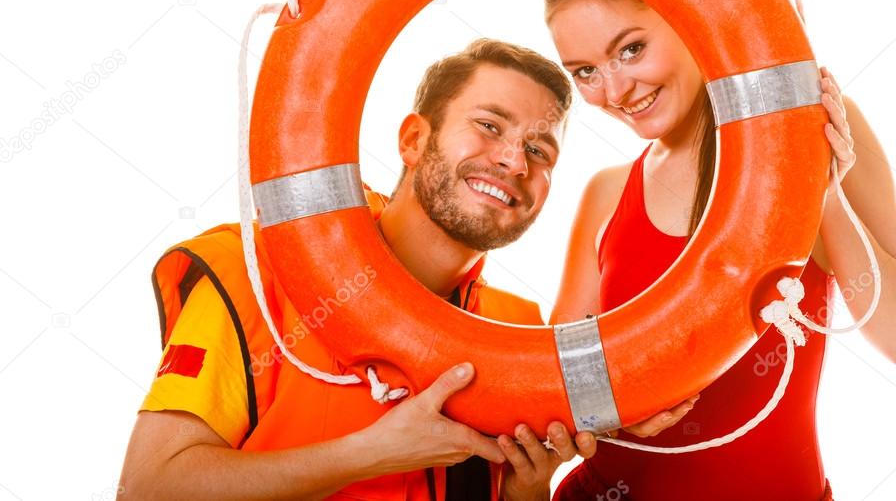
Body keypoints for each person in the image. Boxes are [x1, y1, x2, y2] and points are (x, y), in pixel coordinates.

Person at [118, 38, 597, 500]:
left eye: (539, 151)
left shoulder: (518, 336)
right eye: (490, 126)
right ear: (413, 140)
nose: (514, 161)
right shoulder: (262, 273)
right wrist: (370, 454)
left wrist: (524, 493)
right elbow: (148, 489)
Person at [542, 0, 896, 501]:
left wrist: (823, 191)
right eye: (585, 71)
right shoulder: (606, 194)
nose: (614, 90)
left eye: (631, 49)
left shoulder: (813, 125)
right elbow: (560, 395)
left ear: (687, 17)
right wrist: (618, 416)